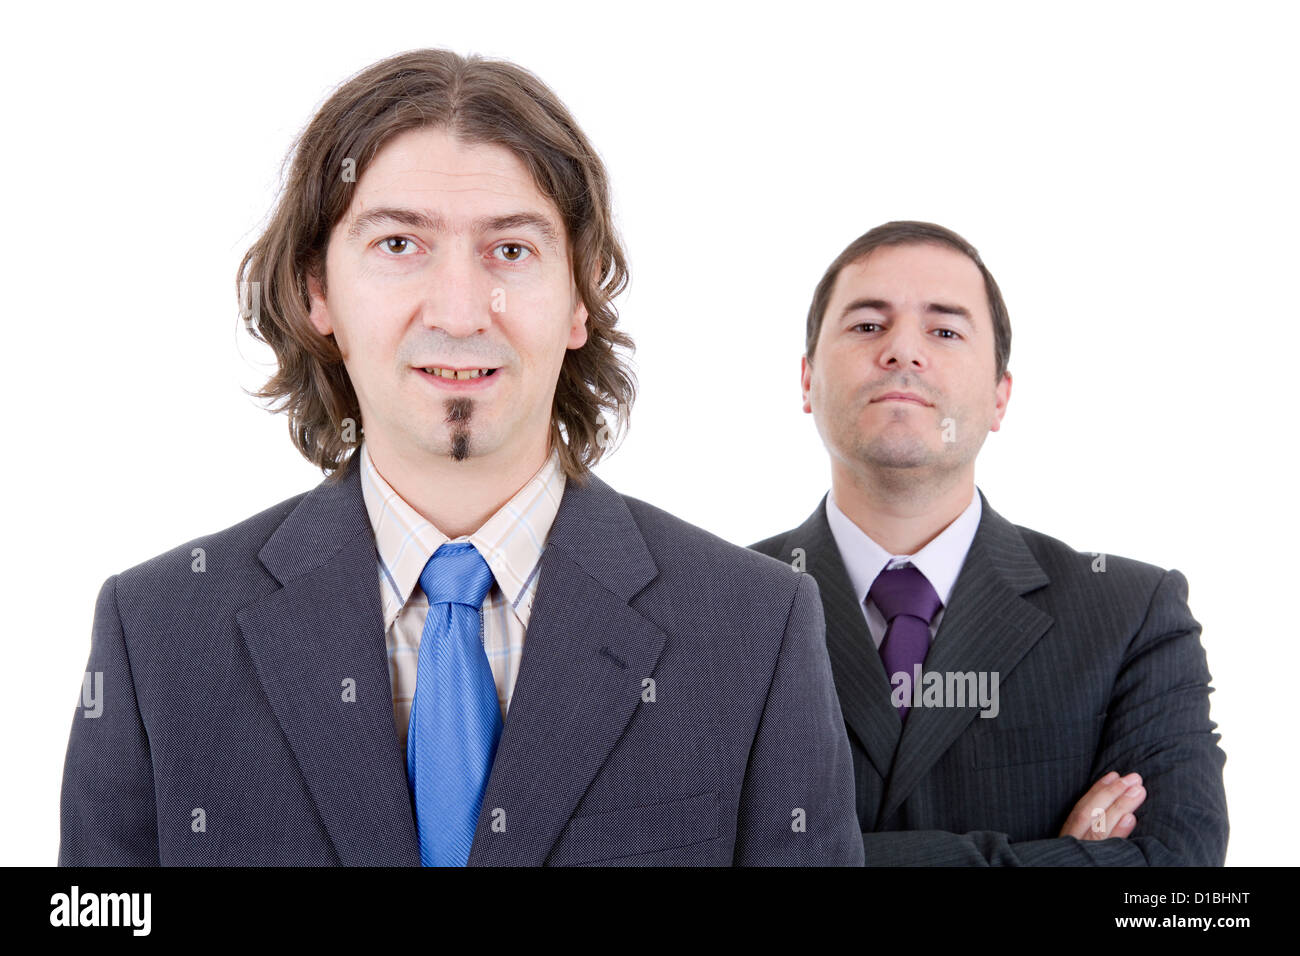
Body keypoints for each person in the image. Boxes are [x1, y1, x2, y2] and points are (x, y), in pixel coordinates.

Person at [59, 49, 863, 867]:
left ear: (580, 298)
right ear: (317, 293)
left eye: (511, 250)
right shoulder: (158, 637)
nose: (458, 308)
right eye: (400, 243)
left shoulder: (756, 632)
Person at [750, 221, 1228, 864]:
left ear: (1001, 397)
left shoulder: (1133, 615)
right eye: (868, 325)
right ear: (806, 381)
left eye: (944, 331)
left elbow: (1176, 886)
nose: (903, 352)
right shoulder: (714, 606)